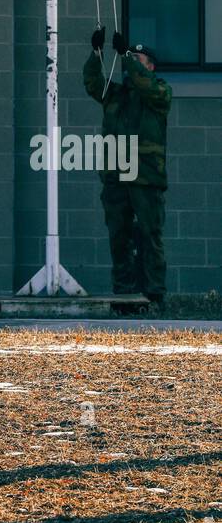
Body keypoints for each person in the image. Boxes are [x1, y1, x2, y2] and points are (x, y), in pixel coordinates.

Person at [84, 27, 172, 310]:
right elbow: (93, 83)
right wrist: (96, 53)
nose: (133, 62)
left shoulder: (159, 92)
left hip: (146, 178)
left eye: (139, 59)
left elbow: (144, 83)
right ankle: (125, 295)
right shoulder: (117, 95)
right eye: (132, 57)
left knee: (150, 235)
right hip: (116, 178)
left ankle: (154, 295)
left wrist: (124, 56)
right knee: (119, 236)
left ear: (151, 66)